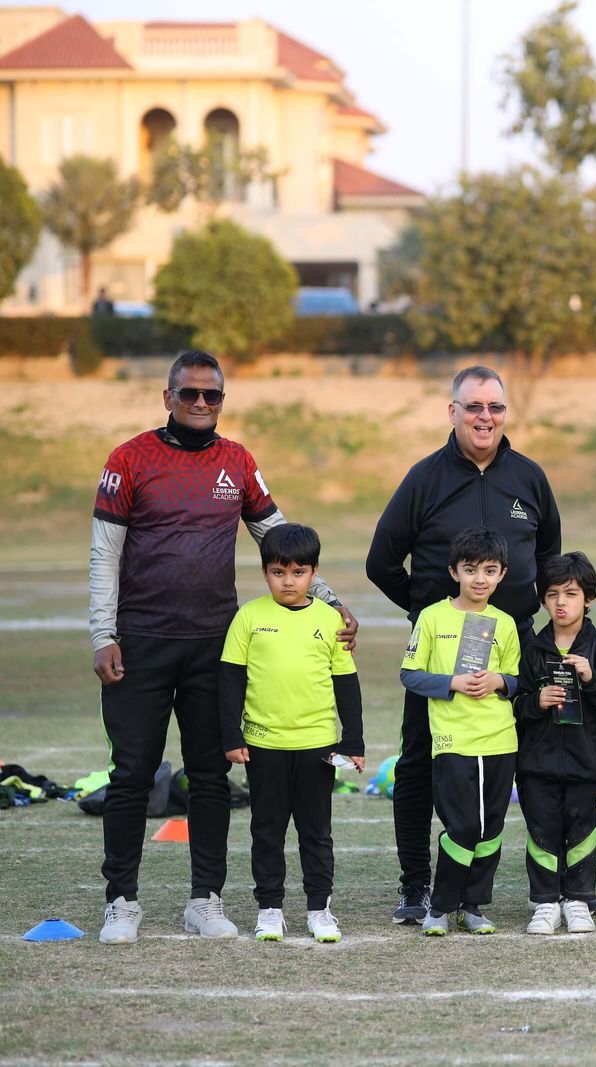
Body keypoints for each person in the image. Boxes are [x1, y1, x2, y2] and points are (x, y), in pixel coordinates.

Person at [92, 349, 358, 946]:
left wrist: (330, 598)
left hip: (215, 644)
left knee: (211, 775)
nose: (202, 404)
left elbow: (279, 535)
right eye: (189, 393)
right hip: (140, 642)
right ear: (167, 397)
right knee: (132, 773)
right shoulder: (128, 459)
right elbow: (104, 554)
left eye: (213, 395)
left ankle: (204, 899)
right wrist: (103, 634)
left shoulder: (237, 461)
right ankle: (121, 901)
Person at [367, 365, 562, 924]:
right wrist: (426, 612)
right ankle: (414, 886)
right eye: (473, 406)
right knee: (422, 763)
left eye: (495, 408)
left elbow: (550, 558)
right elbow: (380, 561)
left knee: (523, 764)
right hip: (439, 651)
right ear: (451, 411)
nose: (485, 417)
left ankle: (542, 891)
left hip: (512, 646)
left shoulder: (529, 477)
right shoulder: (425, 478)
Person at [219, 524, 364, 944]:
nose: (288, 581)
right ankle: (269, 909)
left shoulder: (330, 620)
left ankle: (320, 909)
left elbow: (346, 685)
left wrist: (352, 740)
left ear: (314, 572)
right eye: (279, 572)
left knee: (316, 832)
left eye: (298, 572)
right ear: (265, 573)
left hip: (317, 746)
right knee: (266, 830)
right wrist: (232, 736)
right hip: (263, 745)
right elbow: (230, 680)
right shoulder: (248, 617)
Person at [400, 527, 521, 936]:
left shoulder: (504, 623)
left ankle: (473, 905)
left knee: (490, 829)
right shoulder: (432, 617)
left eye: (489, 570)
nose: (480, 579)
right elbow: (410, 675)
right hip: (452, 741)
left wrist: (499, 682)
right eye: (471, 570)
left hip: (500, 740)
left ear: (502, 574)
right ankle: (440, 906)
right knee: (463, 826)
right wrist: (450, 683)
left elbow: (519, 679)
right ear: (454, 571)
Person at [515, 552, 596, 936]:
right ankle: (545, 903)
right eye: (553, 594)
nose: (561, 602)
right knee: (542, 832)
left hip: (585, 760)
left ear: (588, 598)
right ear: (543, 600)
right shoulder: (532, 647)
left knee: (582, 832)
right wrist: (535, 702)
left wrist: (592, 679)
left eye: (571, 593)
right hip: (537, 763)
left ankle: (578, 900)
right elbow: (515, 704)